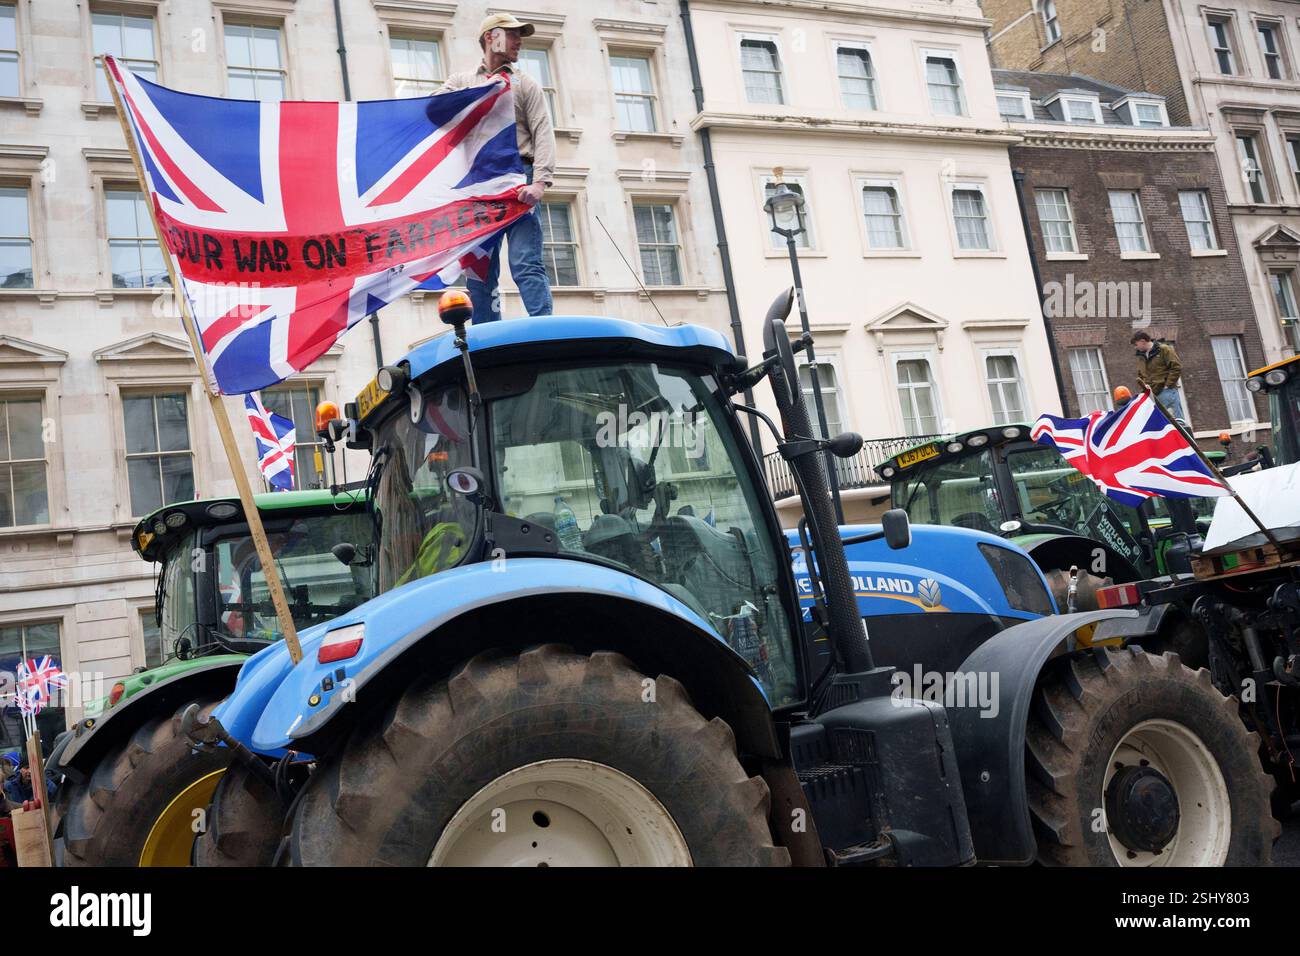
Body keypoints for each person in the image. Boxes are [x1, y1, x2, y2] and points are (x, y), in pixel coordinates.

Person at [438, 13, 555, 323]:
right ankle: (486, 336)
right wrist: (478, 95)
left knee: (525, 262)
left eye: (521, 36)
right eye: (513, 34)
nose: (519, 42)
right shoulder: (462, 82)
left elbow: (543, 132)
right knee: (479, 269)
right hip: (479, 187)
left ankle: (545, 327)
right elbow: (434, 110)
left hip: (520, 182)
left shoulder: (524, 84)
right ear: (491, 37)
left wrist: (540, 183)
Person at [1132, 331, 1184, 419]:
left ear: (1142, 341)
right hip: (1152, 396)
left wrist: (1167, 385)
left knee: (1177, 423)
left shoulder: (1164, 349)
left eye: (1136, 344)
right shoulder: (1140, 357)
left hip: (1167, 392)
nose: (1135, 347)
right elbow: (1141, 374)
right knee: (1162, 425)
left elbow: (1176, 367)